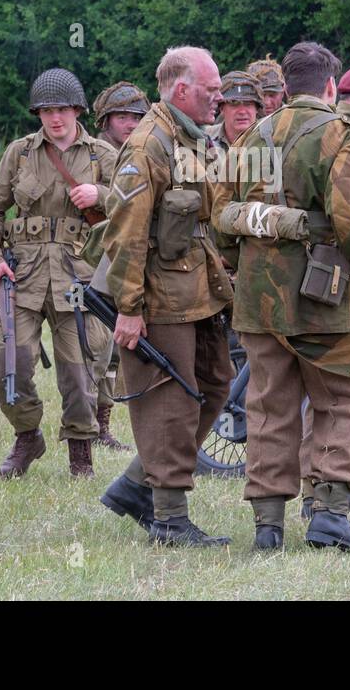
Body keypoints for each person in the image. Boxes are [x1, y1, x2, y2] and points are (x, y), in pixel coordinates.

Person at [222, 42, 350, 551]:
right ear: (332, 87)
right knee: (345, 399)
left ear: (286, 85)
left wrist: (248, 264)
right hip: (325, 294)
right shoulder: (343, 135)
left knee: (269, 405)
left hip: (257, 298)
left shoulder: (251, 136)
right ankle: (330, 515)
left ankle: (268, 527)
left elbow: (221, 218)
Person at [96, 46, 236, 547]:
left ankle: (137, 483)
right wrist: (129, 309)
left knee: (217, 385)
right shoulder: (148, 144)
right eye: (211, 90)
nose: (220, 98)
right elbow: (125, 233)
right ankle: (170, 518)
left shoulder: (195, 139)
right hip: (160, 299)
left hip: (201, 292)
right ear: (182, 90)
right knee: (170, 402)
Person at [0, 68, 116, 478]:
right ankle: (27, 436)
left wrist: (102, 195)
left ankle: (80, 454)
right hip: (24, 277)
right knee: (10, 363)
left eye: (63, 110)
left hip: (80, 278)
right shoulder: (20, 153)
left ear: (77, 110)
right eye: (46, 111)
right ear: (38, 113)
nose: (55, 118)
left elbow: (136, 208)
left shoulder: (103, 157)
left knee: (80, 370)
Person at [88, 81, 153, 451]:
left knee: (114, 352)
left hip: (122, 260)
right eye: (122, 117)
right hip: (89, 261)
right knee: (94, 348)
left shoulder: (144, 152)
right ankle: (89, 424)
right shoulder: (95, 153)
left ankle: (103, 423)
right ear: (106, 120)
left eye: (135, 117)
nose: (129, 124)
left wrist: (98, 194)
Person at [207, 71, 263, 149]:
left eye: (248, 103)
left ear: (257, 108)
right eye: (234, 104)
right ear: (222, 108)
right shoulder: (204, 138)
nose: (242, 112)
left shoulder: (273, 139)